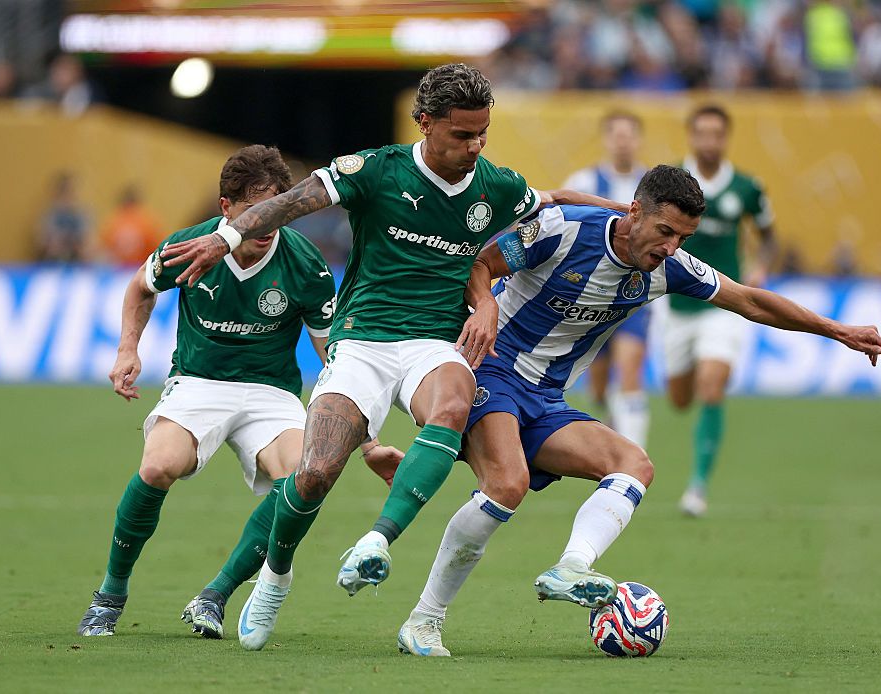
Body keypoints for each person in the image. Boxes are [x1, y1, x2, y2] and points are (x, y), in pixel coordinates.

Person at [159, 63, 625, 652]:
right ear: (425, 123)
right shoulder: (376, 170)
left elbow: (556, 200)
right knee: (315, 473)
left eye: (483, 133)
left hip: (436, 341)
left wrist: (625, 215)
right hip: (363, 340)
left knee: (453, 403)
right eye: (462, 134)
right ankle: (273, 578)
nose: (474, 146)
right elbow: (291, 204)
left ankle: (377, 540)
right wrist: (224, 238)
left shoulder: (497, 185)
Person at [397, 165, 881, 657]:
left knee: (635, 464)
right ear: (635, 213)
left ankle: (571, 567)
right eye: (666, 232)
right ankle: (424, 621)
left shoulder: (669, 268)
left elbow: (750, 301)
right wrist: (483, 305)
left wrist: (837, 330)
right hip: (492, 370)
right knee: (508, 483)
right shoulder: (564, 229)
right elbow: (480, 264)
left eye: (683, 237)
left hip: (546, 397)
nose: (672, 247)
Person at [76, 145, 402, 638]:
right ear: (226, 208)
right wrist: (128, 350)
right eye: (252, 210)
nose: (265, 222)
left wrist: (366, 440)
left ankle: (216, 595)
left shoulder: (304, 263)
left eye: (275, 207)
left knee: (305, 476)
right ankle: (110, 594)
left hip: (270, 393)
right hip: (199, 383)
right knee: (159, 466)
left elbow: (333, 357)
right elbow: (141, 288)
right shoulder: (192, 245)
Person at [669, 104, 778, 517]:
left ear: (726, 138)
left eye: (717, 134)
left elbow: (768, 236)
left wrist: (761, 265)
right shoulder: (672, 182)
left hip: (723, 303)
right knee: (680, 398)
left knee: (712, 388)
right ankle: (691, 389)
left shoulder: (748, 188)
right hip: (674, 305)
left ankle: (697, 486)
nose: (709, 142)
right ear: (691, 136)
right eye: (702, 133)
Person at [562, 111, 651, 448]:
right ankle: (612, 411)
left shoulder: (653, 187)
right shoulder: (583, 183)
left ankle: (634, 457)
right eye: (617, 134)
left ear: (639, 140)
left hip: (636, 296)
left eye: (629, 134)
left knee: (631, 372)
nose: (623, 140)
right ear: (606, 139)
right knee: (597, 387)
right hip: (590, 298)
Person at [98, 185, 164, 266]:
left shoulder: (113, 222)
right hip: (141, 267)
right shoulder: (148, 222)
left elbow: (104, 249)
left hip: (118, 270)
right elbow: (158, 248)